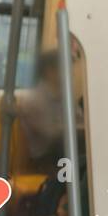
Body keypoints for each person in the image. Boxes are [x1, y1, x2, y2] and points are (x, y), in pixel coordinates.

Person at [17, 36, 85, 171]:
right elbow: (51, 134)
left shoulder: (66, 96)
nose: (70, 74)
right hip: (47, 160)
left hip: (68, 153)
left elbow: (80, 121)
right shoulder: (34, 100)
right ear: (50, 71)